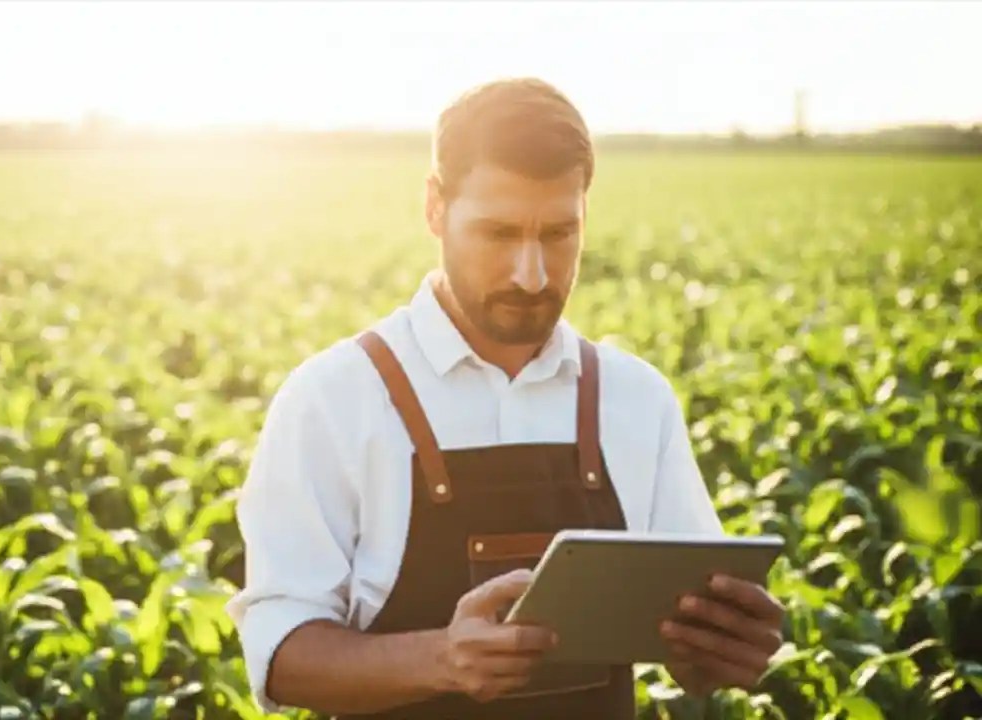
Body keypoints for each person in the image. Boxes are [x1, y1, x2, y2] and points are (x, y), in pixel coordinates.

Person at [224, 77, 785, 719]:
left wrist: (723, 647)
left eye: (558, 234)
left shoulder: (638, 400)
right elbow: (282, 659)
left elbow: (693, 640)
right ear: (435, 208)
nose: (532, 274)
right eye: (499, 233)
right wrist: (442, 659)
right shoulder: (333, 399)